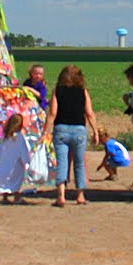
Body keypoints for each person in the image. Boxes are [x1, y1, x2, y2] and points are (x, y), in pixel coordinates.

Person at [43, 64, 97, 207]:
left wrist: (45, 132)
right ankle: (80, 195)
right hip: (79, 130)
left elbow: (52, 113)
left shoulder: (57, 91)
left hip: (61, 129)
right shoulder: (83, 92)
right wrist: (95, 131)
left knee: (61, 162)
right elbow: (89, 113)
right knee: (79, 163)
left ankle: (61, 196)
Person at [0, 113, 33, 203]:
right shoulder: (19, 137)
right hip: (16, 164)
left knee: (5, 180)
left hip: (5, 163)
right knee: (16, 180)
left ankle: (5, 197)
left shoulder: (6, 136)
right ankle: (17, 198)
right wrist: (26, 161)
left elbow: (1, 150)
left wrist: (2, 159)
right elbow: (23, 150)